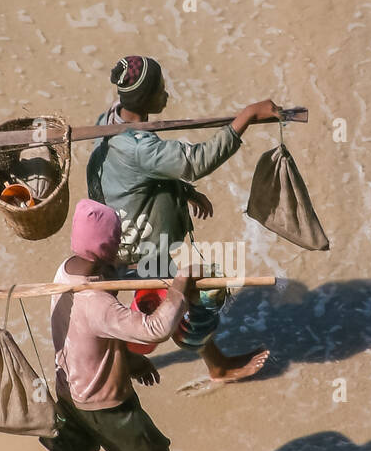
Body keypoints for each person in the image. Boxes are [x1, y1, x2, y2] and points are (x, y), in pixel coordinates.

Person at [41, 198, 229, 451]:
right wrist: (178, 287)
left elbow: (85, 337)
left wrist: (125, 360)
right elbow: (154, 328)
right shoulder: (97, 303)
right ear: (106, 249)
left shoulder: (65, 271)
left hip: (68, 388)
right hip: (104, 401)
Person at [87, 55, 278, 381]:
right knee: (205, 291)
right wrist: (247, 116)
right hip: (142, 245)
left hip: (116, 228)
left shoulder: (109, 119)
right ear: (145, 97)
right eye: (161, 89)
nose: (166, 94)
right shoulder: (139, 146)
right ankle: (145, 354)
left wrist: (184, 191)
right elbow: (195, 161)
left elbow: (137, 175)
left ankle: (191, 356)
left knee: (187, 288)